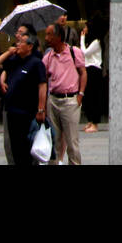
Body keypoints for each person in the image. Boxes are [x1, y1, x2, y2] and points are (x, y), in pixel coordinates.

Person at [0, 25, 47, 166]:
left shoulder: (36, 63)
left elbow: (42, 86)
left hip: (27, 112)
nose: (18, 45)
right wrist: (9, 53)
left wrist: (41, 108)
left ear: (30, 46)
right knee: (15, 147)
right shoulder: (14, 60)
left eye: (21, 42)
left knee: (26, 148)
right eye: (17, 42)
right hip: (12, 111)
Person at [43, 23, 87, 164]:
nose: (47, 38)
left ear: (59, 36)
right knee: (54, 141)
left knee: (72, 142)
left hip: (70, 100)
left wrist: (80, 95)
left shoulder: (74, 52)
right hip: (53, 100)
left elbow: (83, 73)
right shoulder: (48, 56)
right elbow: (43, 79)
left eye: (50, 34)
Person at [81, 20, 106, 132]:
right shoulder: (90, 41)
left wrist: (81, 39)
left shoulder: (96, 42)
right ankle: (90, 121)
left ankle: (95, 123)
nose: (84, 29)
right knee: (88, 97)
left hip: (94, 70)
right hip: (88, 69)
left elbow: (85, 53)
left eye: (86, 27)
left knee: (94, 96)